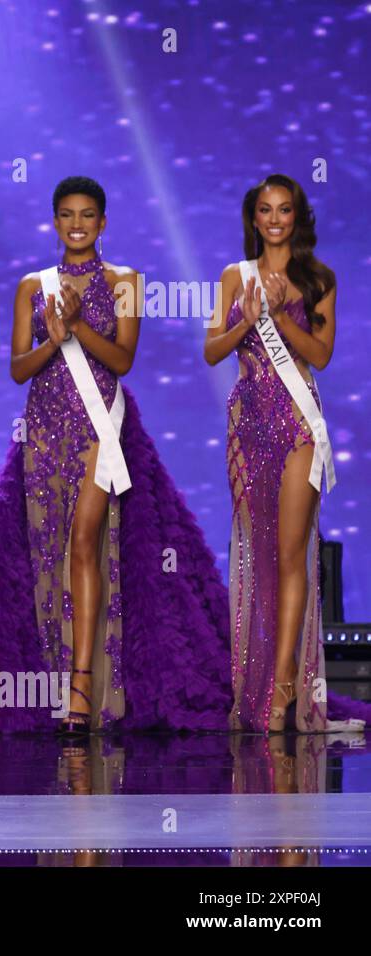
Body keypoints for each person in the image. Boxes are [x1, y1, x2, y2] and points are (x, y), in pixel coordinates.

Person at [0, 176, 232, 736]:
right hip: (44, 427)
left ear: (103, 222)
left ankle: (83, 685)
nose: (76, 224)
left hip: (99, 424)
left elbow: (123, 359)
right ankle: (57, 678)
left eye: (87, 215)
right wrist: (54, 339)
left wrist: (78, 324)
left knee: (86, 541)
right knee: (48, 552)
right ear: (54, 222)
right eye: (66, 215)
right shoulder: (32, 287)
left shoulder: (125, 281)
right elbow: (16, 368)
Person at [204, 173, 368, 734]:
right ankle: (254, 684)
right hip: (247, 426)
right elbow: (210, 350)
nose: (275, 219)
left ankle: (281, 693)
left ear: (297, 217)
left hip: (298, 425)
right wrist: (248, 319)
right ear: (254, 218)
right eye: (266, 211)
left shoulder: (318, 279)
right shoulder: (235, 277)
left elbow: (320, 355)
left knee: (292, 554)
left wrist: (275, 318)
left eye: (285, 210)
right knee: (257, 556)